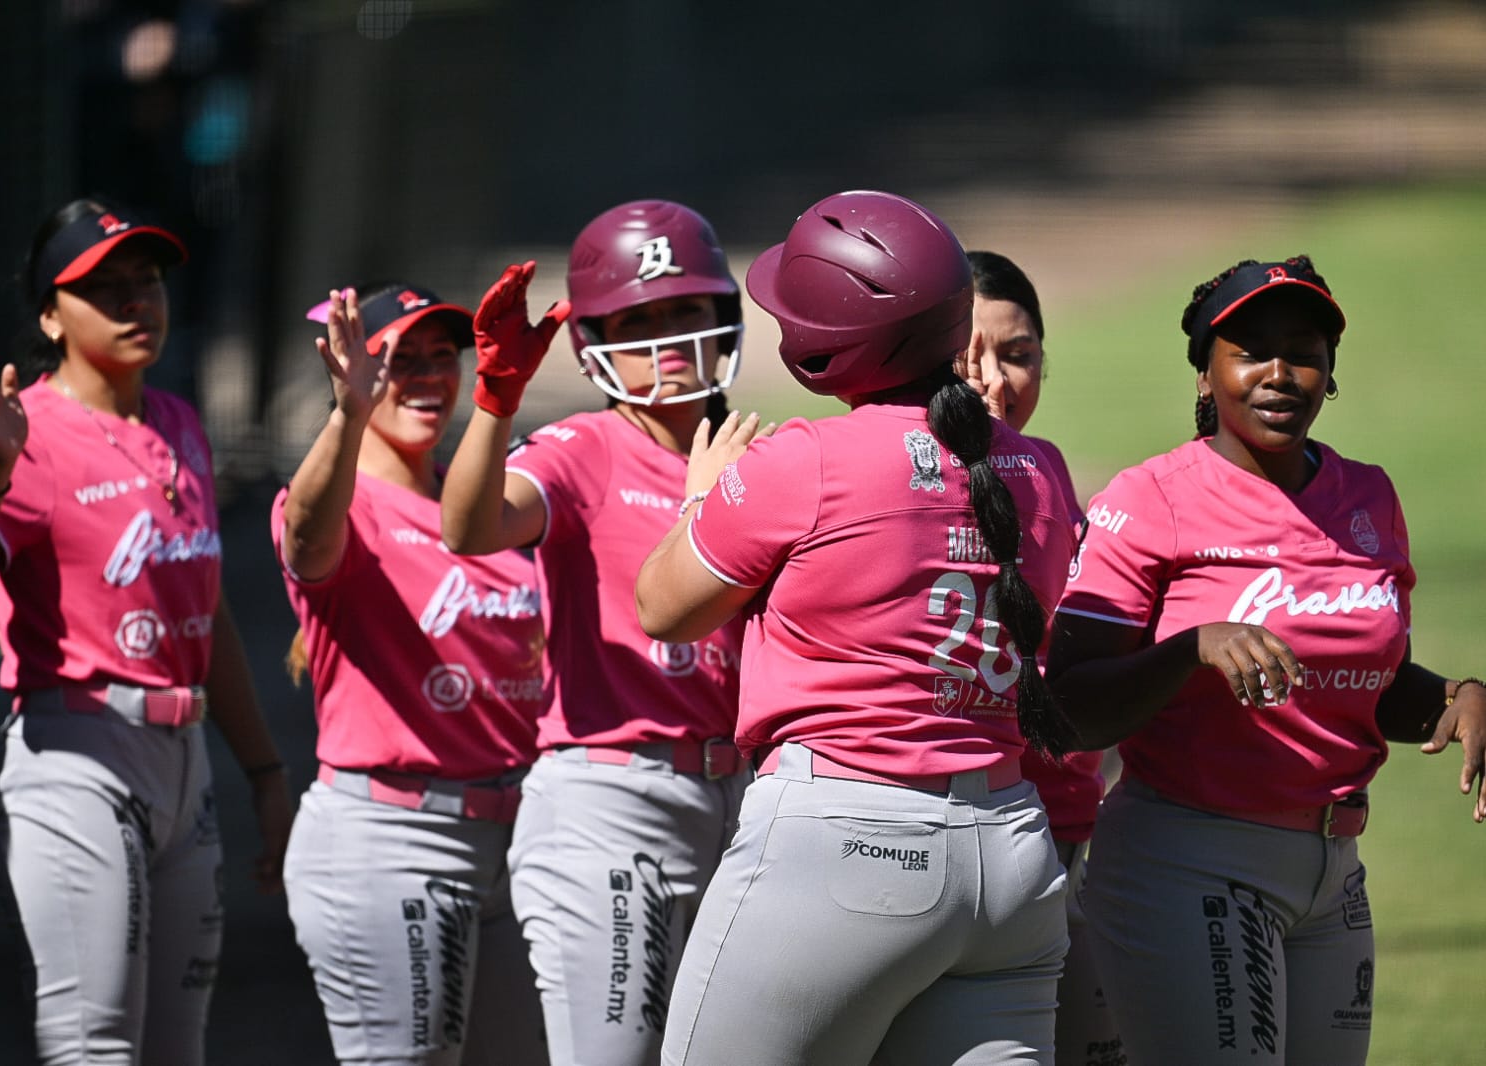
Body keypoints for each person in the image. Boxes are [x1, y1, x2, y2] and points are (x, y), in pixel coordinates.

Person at [635, 190, 1079, 1066]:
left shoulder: (803, 457)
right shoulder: (1041, 466)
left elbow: (663, 607)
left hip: (844, 841)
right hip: (1014, 859)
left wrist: (695, 501)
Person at [1046, 255, 1486, 1065]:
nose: (1281, 372)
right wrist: (1189, 650)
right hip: (1187, 863)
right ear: (1206, 372)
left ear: (1330, 372)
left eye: (1305, 350)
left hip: (1332, 873)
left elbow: (1359, 683)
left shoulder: (1367, 497)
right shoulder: (1149, 499)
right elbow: (1066, 705)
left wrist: (1454, 698)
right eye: (1251, 349)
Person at [0, 198, 291, 1065]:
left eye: (147, 281)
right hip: (77, 753)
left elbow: (207, 615)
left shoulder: (180, 422)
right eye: (105, 288)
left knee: (175, 1053)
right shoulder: (26, 429)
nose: (137, 303)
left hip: (185, 762)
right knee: (92, 1049)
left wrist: (265, 770)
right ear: (48, 313)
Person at [440, 200, 750, 1066]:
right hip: (613, 803)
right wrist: (497, 401)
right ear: (594, 340)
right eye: (637, 319)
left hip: (742, 804)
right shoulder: (582, 448)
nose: (666, 337)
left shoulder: (752, 456)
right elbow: (468, 527)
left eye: (685, 308)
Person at [273, 283, 547, 1065]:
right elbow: (303, 539)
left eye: (442, 356)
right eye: (401, 360)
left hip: (511, 839)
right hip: (396, 838)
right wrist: (346, 415)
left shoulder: (477, 506)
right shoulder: (341, 500)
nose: (427, 376)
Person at [958, 251, 1120, 1066]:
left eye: (1017, 354)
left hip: (1075, 845)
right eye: (970, 354)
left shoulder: (1054, 482)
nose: (994, 379)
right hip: (958, 845)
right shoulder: (898, 486)